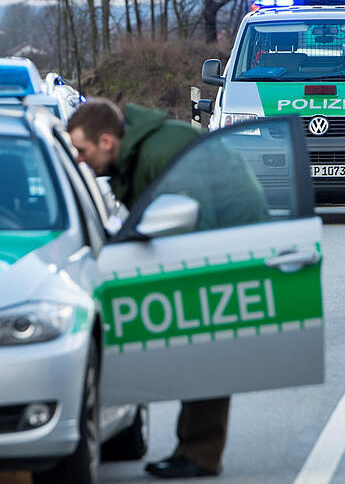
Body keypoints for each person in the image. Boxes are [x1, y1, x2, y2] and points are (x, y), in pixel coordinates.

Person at [66, 98, 229, 480]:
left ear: (107, 141)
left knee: (204, 354)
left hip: (218, 248)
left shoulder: (160, 153)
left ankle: (202, 455)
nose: (79, 159)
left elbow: (188, 216)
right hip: (205, 246)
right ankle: (191, 449)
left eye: (81, 150)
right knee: (196, 354)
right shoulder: (137, 154)